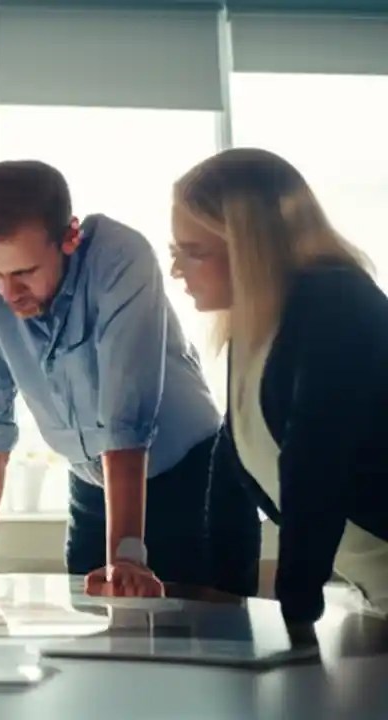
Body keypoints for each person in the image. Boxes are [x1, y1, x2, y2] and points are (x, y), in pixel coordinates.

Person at [0, 160, 260, 598]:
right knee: (99, 648)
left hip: (192, 480)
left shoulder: (121, 256)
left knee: (212, 646)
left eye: (25, 273)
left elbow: (124, 418)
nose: (8, 293)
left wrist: (127, 555)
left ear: (70, 238)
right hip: (92, 488)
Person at [171, 148, 388, 624]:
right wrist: (227, 611)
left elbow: (317, 468)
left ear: (251, 245)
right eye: (175, 252)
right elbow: (231, 470)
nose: (177, 270)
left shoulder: (338, 306)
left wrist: (296, 614)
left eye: (194, 252)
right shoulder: (255, 326)